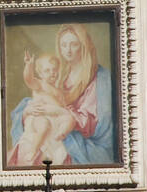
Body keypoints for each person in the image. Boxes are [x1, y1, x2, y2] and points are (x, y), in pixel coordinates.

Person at [8, 23, 115, 166]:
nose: (68, 50)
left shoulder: (99, 78)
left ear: (83, 46)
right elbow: (38, 90)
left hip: (78, 135)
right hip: (51, 121)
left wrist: (58, 111)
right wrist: (27, 111)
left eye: (73, 44)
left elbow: (98, 122)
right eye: (64, 45)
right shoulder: (61, 72)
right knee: (31, 145)